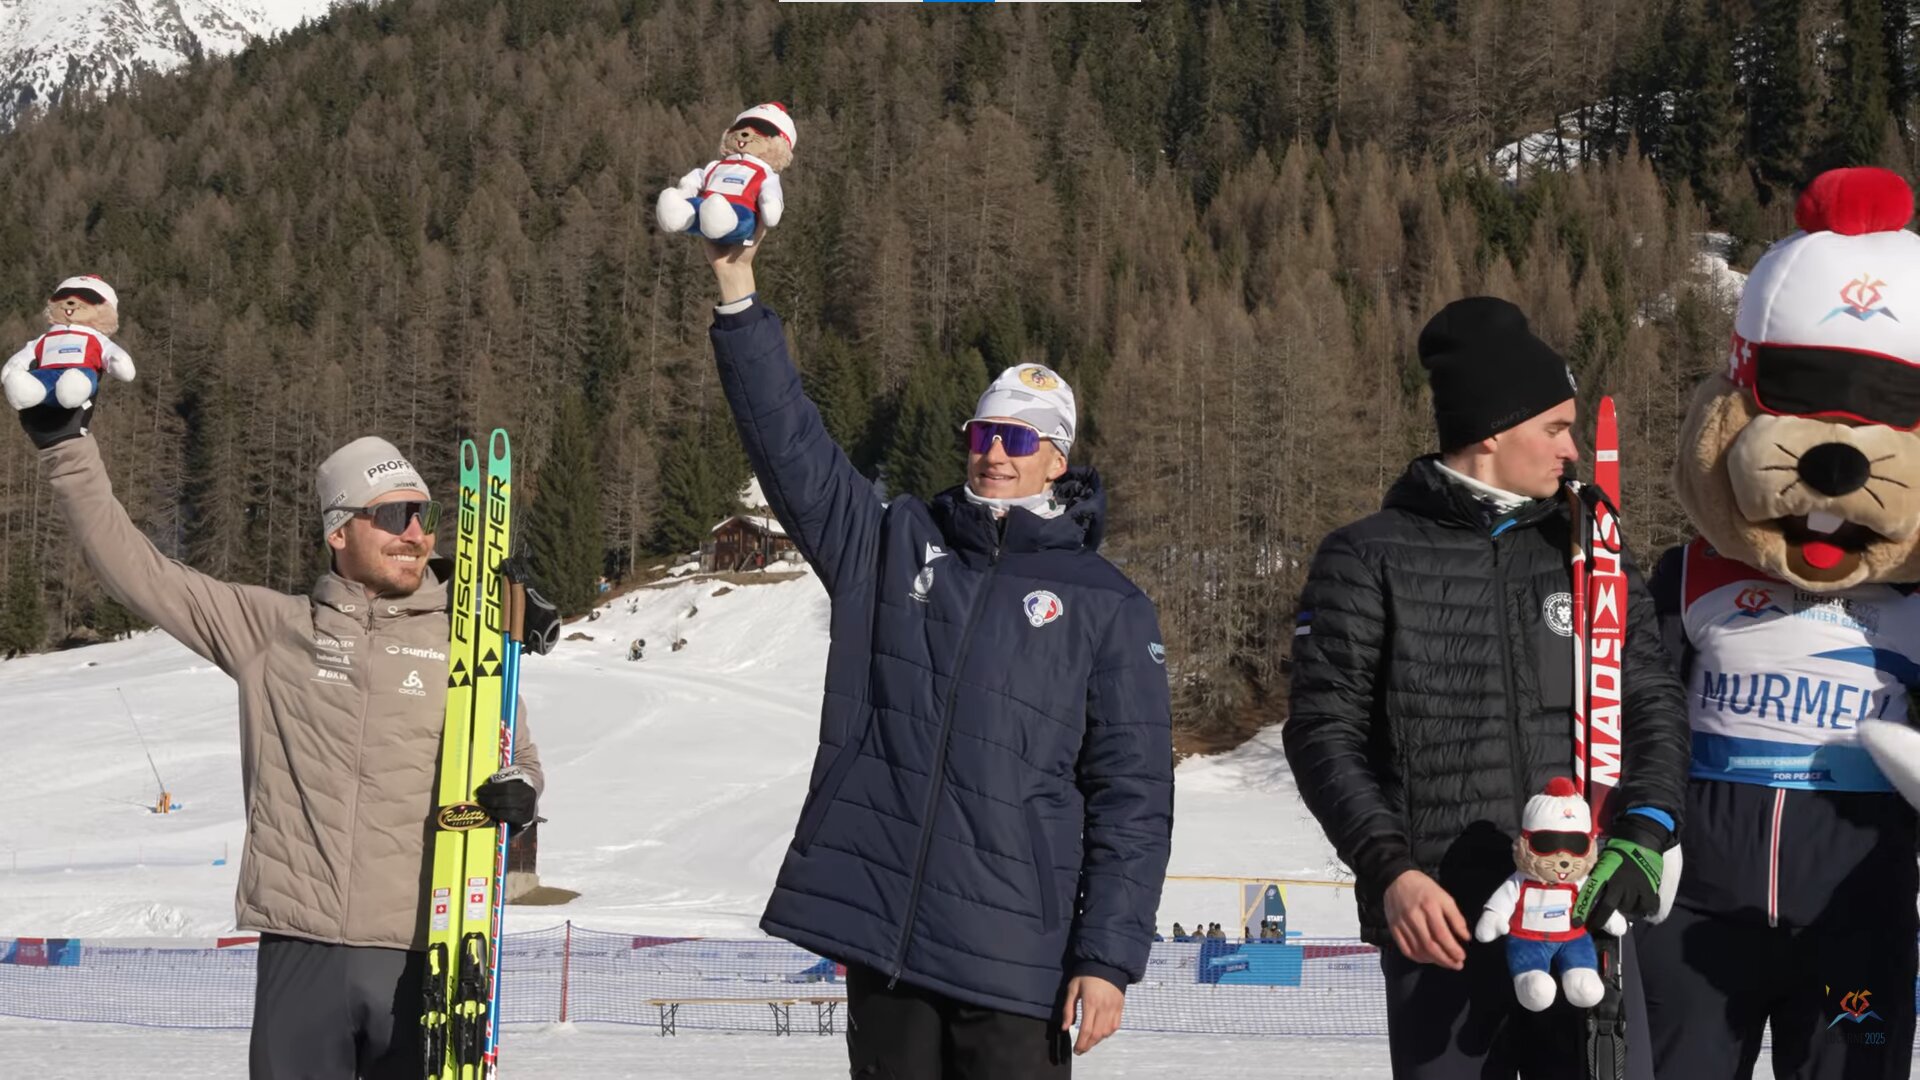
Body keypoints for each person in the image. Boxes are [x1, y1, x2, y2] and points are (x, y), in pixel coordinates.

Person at [702, 229, 1174, 1078]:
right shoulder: (892, 546)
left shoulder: (1108, 604)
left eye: (1021, 440)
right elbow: (791, 449)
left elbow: (1133, 801)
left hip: (1015, 965)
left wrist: (1107, 958)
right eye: (984, 432)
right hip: (886, 939)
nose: (996, 452)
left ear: (1057, 461)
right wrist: (737, 291)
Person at [19, 398, 544, 1079]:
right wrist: (65, 445)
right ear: (338, 531)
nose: (415, 533)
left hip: (427, 952)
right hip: (302, 950)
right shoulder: (272, 631)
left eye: (424, 515)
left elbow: (520, 762)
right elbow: (138, 571)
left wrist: (519, 793)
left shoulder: (467, 646)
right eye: (391, 515)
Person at [1282, 297, 1690, 1080]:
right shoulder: (1369, 556)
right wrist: (1388, 870)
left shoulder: (1591, 549)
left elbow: (1652, 701)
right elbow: (1323, 732)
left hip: (1585, 908)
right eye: (1556, 427)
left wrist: (1648, 827)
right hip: (1441, 920)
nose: (1573, 449)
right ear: (1492, 430)